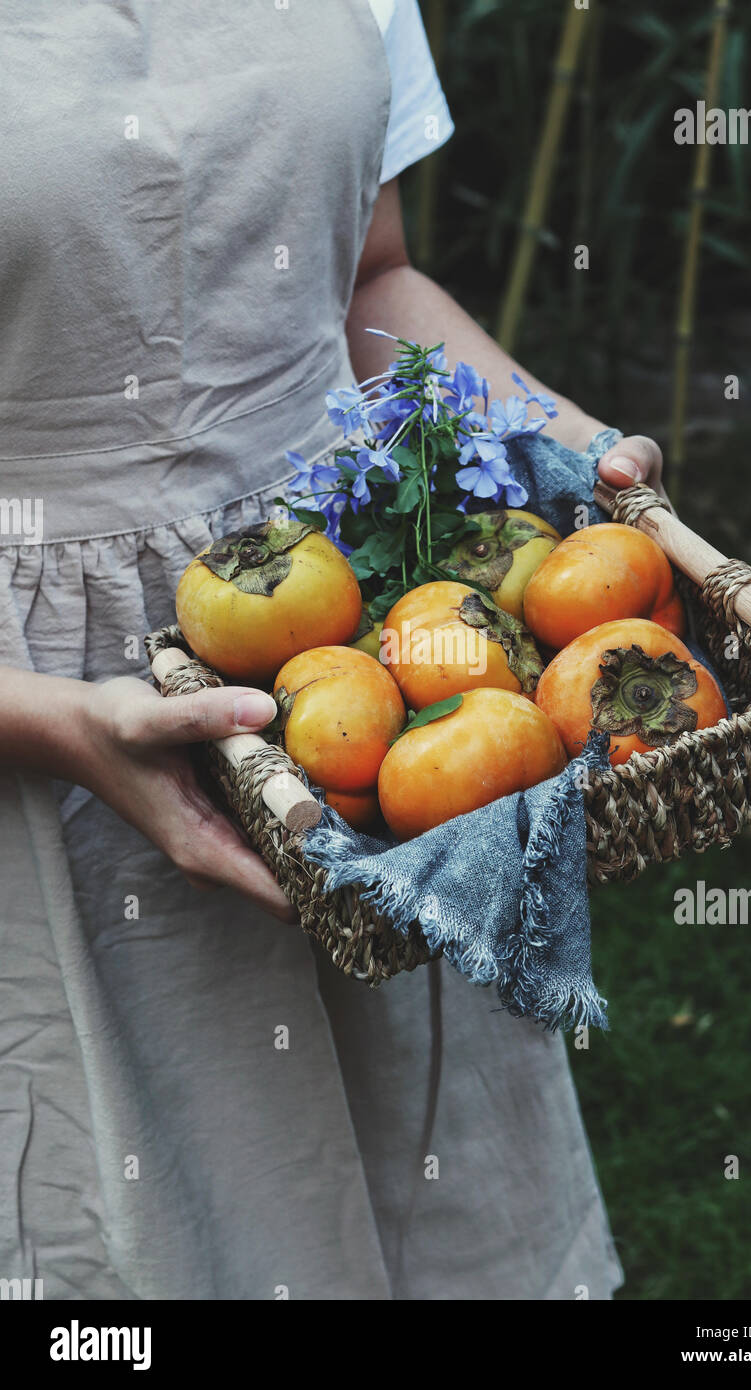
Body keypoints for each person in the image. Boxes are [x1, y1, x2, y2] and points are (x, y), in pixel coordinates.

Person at [0, 0, 662, 1300]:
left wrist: (576, 454)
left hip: (360, 663)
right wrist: (50, 721)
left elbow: (365, 280)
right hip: (44, 716)